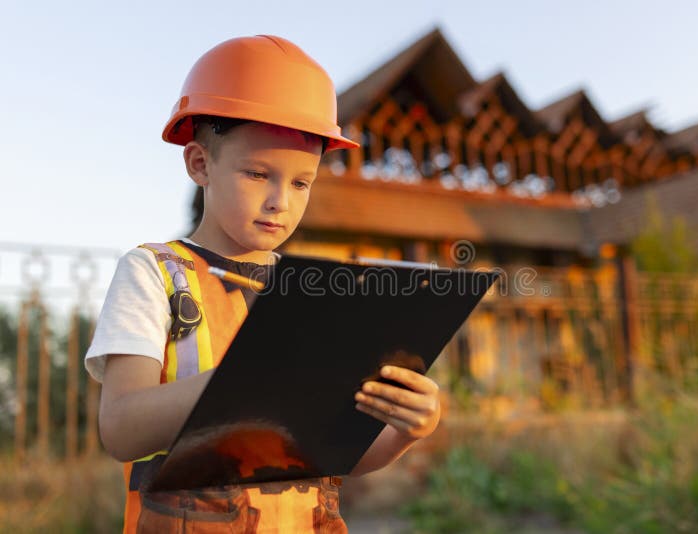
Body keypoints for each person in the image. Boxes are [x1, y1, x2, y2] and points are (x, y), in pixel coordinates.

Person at [84, 34, 442, 533]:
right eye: (257, 174)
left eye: (301, 182)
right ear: (200, 164)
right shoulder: (154, 272)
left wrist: (407, 429)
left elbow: (338, 457)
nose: (281, 201)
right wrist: (239, 386)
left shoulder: (315, 292)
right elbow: (121, 428)